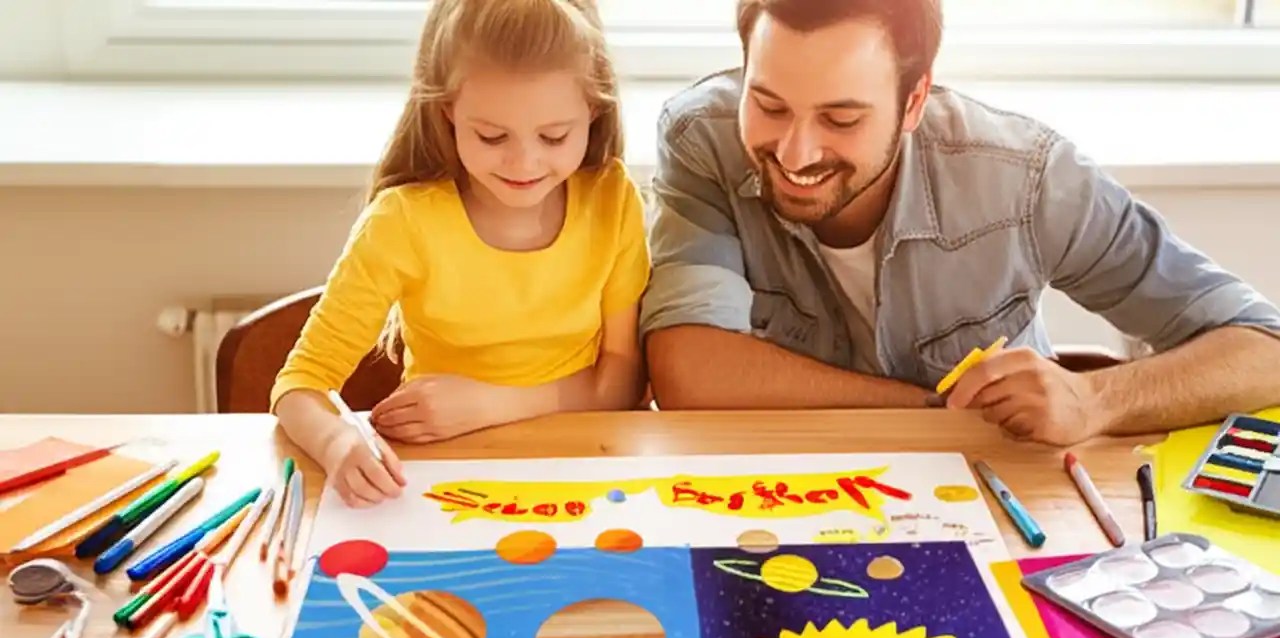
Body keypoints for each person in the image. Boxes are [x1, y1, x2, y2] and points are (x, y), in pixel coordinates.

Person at [640, 0, 1280, 445]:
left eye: (841, 120)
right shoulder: (702, 138)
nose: (795, 152)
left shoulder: (1026, 178)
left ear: (914, 100)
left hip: (998, 504)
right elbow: (690, 369)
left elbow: (1262, 347)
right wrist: (934, 409)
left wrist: (1098, 401)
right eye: (769, 104)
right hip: (787, 501)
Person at [271, 0, 650, 507]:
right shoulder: (402, 222)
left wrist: (493, 403)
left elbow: (625, 381)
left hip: (590, 473)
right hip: (443, 481)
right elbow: (300, 384)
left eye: (554, 136)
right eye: (491, 136)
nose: (524, 162)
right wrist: (341, 440)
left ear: (594, 111)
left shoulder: (612, 199)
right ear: (447, 110)